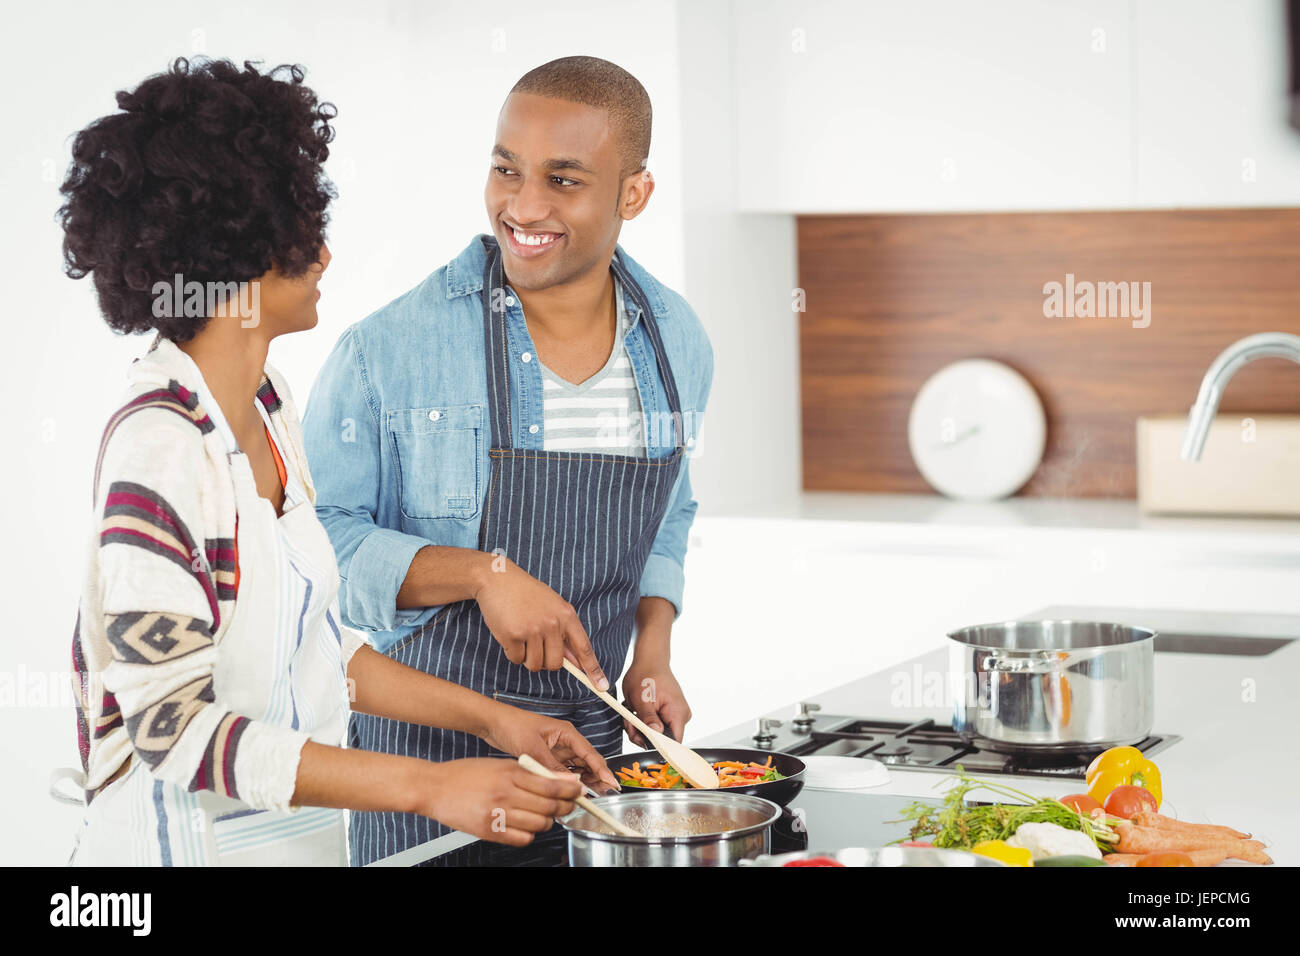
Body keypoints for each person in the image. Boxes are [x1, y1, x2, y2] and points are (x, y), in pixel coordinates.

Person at [58, 57, 612, 867]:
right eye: (297, 226)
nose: (321, 250)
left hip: (291, 847)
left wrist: (495, 722)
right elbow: (175, 733)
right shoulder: (161, 450)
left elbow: (315, 657)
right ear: (234, 253)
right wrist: (428, 786)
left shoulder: (269, 407)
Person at [303, 55, 715, 865]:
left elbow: (670, 515)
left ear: (633, 193)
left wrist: (653, 652)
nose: (523, 206)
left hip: (590, 764)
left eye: (564, 180)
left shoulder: (676, 340)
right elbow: (318, 554)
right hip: (425, 770)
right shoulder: (391, 348)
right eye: (506, 169)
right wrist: (483, 574)